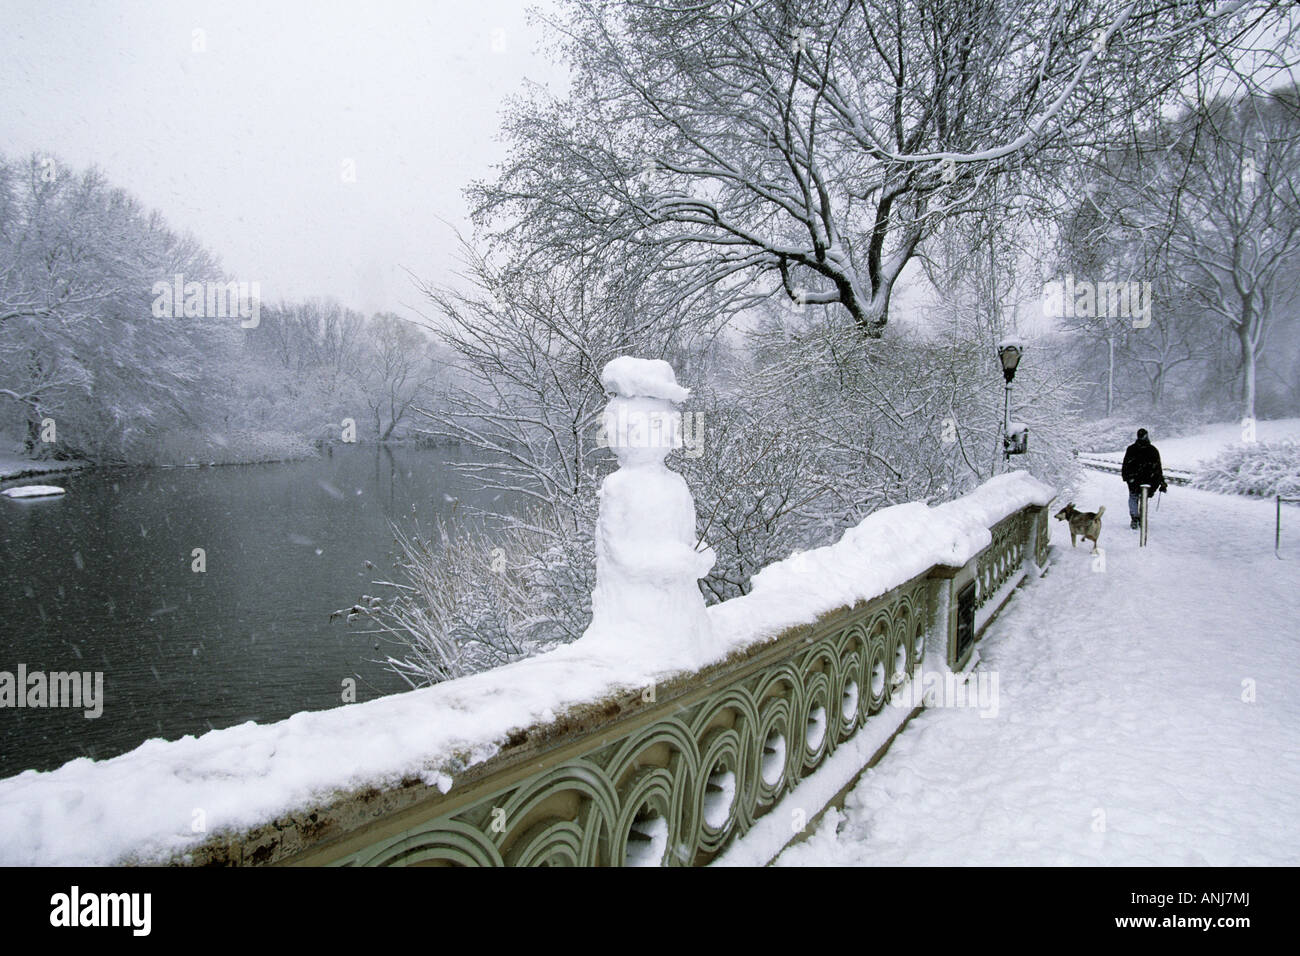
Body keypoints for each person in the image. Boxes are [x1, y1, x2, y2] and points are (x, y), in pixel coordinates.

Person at [1121, 428, 1167, 529]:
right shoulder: (1153, 450)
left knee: (1133, 497)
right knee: (1144, 498)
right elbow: (1157, 467)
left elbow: (1125, 464)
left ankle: (1134, 518)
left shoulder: (1131, 449)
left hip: (1134, 479)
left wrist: (1126, 477)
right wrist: (1161, 481)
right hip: (1148, 480)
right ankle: (1142, 517)